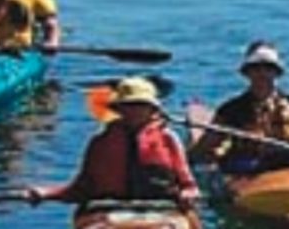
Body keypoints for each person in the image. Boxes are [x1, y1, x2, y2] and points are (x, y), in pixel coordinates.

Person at [28, 77, 197, 208]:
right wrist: (46, 193)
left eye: (140, 105)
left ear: (153, 110)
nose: (134, 110)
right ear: (118, 110)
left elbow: (188, 184)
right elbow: (79, 190)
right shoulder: (100, 142)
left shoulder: (168, 139)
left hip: (162, 211)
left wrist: (189, 193)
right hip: (108, 211)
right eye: (128, 105)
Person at [188, 41, 289, 174]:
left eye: (268, 68)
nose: (262, 74)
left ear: (277, 73)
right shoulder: (231, 110)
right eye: (256, 68)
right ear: (247, 73)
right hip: (252, 170)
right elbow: (204, 150)